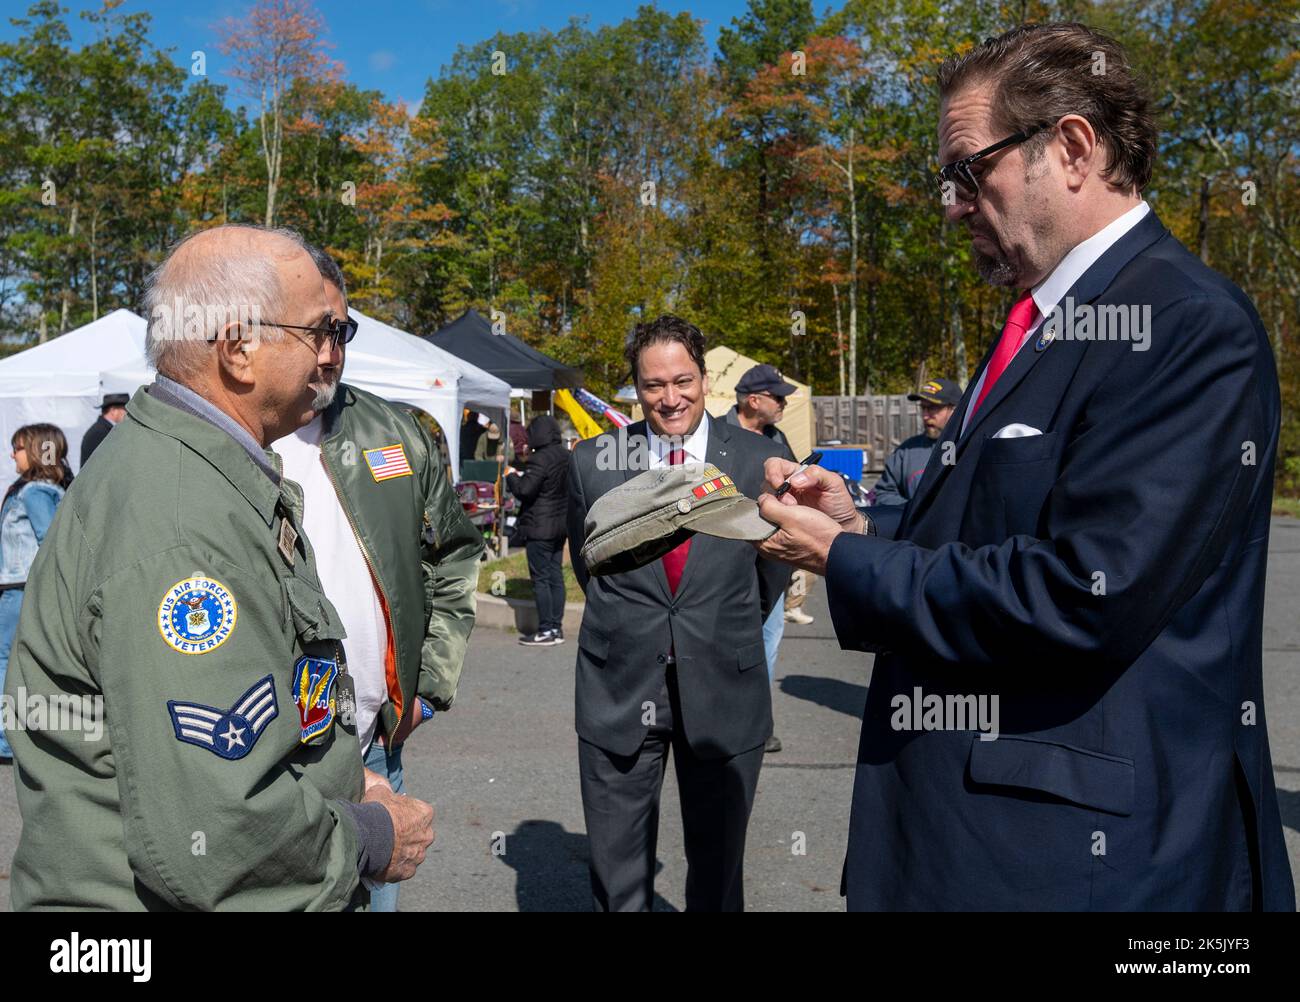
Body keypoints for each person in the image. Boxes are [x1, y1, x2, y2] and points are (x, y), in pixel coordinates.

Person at [754, 22, 1294, 911]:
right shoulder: (1045, 323)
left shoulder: (1186, 324)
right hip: (965, 846)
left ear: (1073, 147)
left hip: (1071, 868)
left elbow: (1084, 591)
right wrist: (860, 523)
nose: (952, 203)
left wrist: (845, 561)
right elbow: (996, 531)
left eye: (968, 170)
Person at [4, 224, 434, 910]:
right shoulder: (181, 525)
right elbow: (225, 839)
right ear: (239, 350)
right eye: (324, 330)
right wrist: (374, 837)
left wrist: (346, 780)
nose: (333, 353)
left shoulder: (197, 477)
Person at [272, 244, 483, 911]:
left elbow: (453, 554)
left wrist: (427, 686)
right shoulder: (233, 437)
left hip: (374, 744)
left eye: (342, 331)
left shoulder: (394, 432)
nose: (331, 352)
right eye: (315, 332)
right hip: (265, 756)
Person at [567, 315, 791, 911]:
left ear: (705, 380)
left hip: (724, 686)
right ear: (635, 389)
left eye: (683, 381)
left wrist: (718, 623)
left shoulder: (756, 460)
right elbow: (589, 564)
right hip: (620, 687)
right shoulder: (592, 462)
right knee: (619, 881)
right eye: (653, 385)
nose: (670, 399)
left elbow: (772, 570)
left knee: (718, 876)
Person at [721, 362, 799, 751]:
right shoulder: (715, 435)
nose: (784, 402)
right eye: (778, 396)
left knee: (768, 638)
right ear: (753, 400)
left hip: (771, 562)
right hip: (726, 561)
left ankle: (757, 723)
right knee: (725, 643)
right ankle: (721, 720)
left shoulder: (778, 437)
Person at [0, 424, 72, 763]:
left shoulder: (34, 492)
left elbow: (49, 542)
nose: (12, 454)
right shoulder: (40, 488)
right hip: (21, 586)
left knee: (5, 661)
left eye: (17, 448)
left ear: (35, 449)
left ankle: (4, 740)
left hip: (20, 588)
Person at [506, 414, 570, 646]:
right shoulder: (566, 456)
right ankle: (556, 628)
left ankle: (545, 630)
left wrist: (511, 476)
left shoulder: (539, 459)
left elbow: (525, 490)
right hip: (560, 525)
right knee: (556, 576)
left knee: (541, 579)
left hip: (539, 526)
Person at [871, 378, 961, 506]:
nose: (925, 415)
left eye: (932, 408)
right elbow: (883, 494)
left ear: (955, 410)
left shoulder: (971, 447)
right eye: (923, 408)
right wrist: (913, 510)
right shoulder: (906, 451)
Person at [79, 393, 129, 467]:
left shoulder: (103, 429)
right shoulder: (99, 432)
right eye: (125, 409)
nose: (127, 413)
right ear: (113, 410)